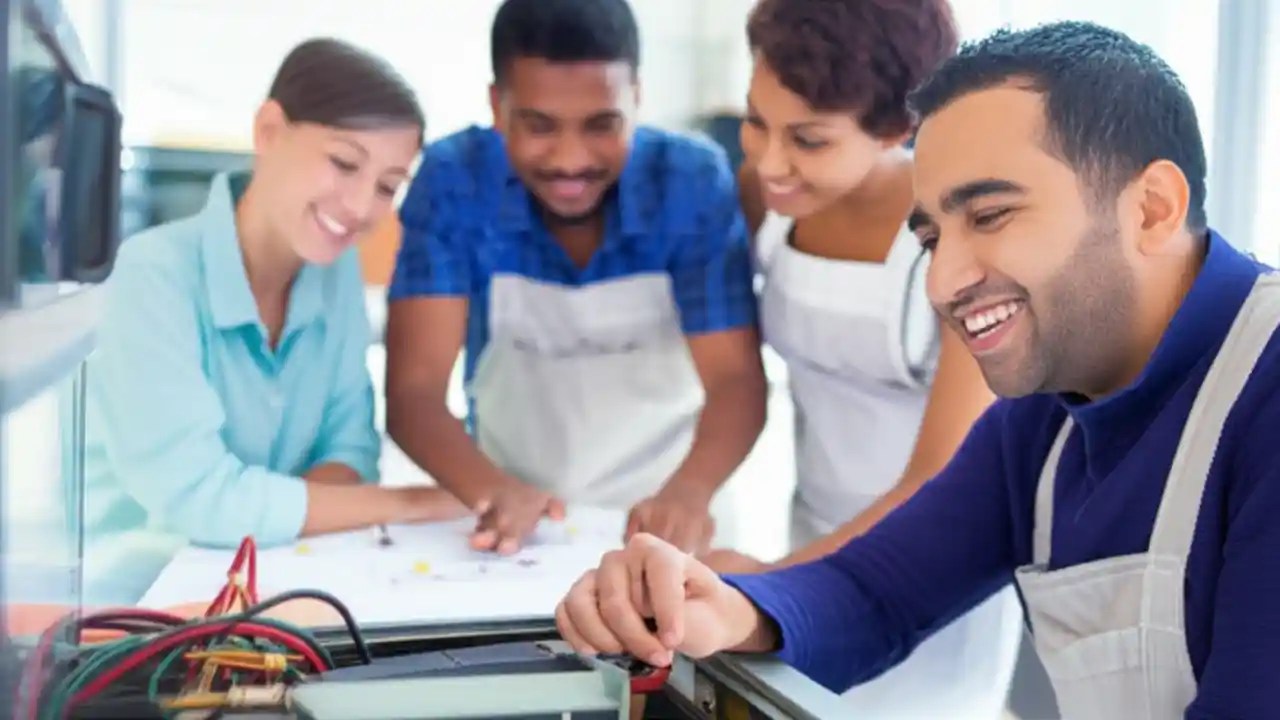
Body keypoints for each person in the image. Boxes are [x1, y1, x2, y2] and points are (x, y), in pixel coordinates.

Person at [556, 21, 1280, 720]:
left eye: (991, 215)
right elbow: (877, 593)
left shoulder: (1265, 390)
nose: (943, 283)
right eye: (932, 237)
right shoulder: (1041, 425)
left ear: (1152, 209)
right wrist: (725, 605)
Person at [697, 1, 1021, 716]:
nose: (768, 160)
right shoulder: (768, 197)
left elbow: (942, 481)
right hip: (807, 542)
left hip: (927, 575)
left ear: (901, 126)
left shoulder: (965, 246)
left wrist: (769, 591)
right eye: (756, 120)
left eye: (808, 140)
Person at [83, 38, 466, 604]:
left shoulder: (333, 271)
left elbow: (351, 451)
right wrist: (422, 501)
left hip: (269, 594)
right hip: (133, 609)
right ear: (268, 131)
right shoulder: (151, 276)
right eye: (343, 163)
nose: (362, 207)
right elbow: (200, 500)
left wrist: (254, 508)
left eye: (387, 185)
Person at [385, 0, 766, 556]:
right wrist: (492, 490)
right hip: (513, 529)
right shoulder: (454, 181)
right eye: (539, 126)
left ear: (635, 97)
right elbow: (414, 393)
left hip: (670, 529)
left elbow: (735, 379)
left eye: (601, 125)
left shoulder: (690, 182)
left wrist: (689, 492)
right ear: (497, 105)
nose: (570, 160)